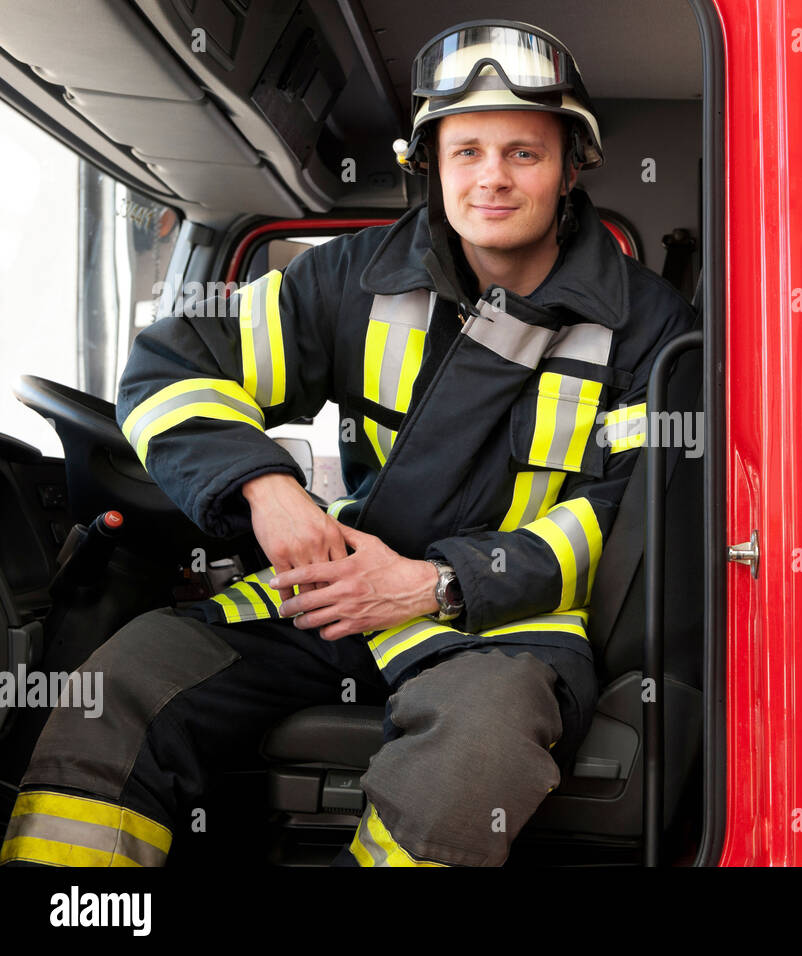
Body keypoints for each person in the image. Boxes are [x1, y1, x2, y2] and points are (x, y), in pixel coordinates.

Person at [1, 20, 694, 867]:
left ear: (570, 166)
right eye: (467, 150)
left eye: (524, 153)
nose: (493, 179)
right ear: (430, 164)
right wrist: (265, 484)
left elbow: (624, 514)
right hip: (336, 594)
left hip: (508, 624)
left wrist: (439, 584)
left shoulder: (647, 323)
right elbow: (174, 365)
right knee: (116, 686)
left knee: (474, 755)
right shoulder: (352, 275)